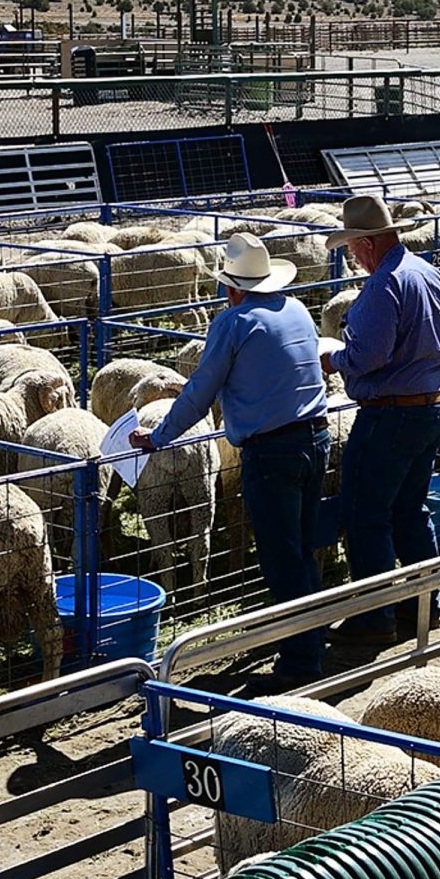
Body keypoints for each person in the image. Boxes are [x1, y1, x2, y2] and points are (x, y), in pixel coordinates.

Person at [129, 232, 330, 691]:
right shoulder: (298, 310)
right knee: (301, 547)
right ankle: (312, 640)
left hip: (271, 451)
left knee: (281, 558)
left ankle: (301, 662)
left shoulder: (233, 323)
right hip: (313, 439)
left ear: (231, 288)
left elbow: (199, 393)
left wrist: (157, 436)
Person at [320, 195, 440, 646]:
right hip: (433, 405)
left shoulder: (384, 285)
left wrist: (333, 358)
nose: (352, 257)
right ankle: (423, 606)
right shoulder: (428, 272)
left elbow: (369, 355)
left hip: (391, 415)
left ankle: (373, 616)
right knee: (410, 508)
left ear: (370, 244)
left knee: (365, 513)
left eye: (353, 248)